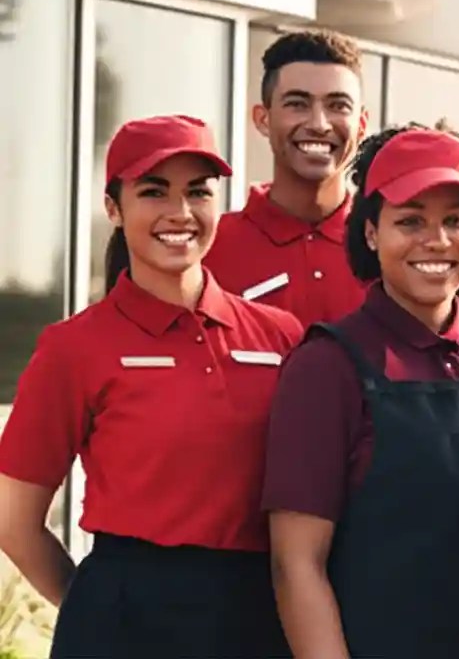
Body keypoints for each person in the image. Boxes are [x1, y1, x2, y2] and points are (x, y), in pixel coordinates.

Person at [0, 115, 302, 658]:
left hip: (257, 613)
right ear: (114, 207)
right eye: (153, 191)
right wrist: (94, 604)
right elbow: (13, 519)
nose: (179, 213)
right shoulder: (74, 348)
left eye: (198, 192)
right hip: (125, 620)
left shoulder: (281, 335)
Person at [263, 125, 459, 657]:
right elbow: (296, 564)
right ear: (370, 231)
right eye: (410, 221)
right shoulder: (327, 366)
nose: (436, 241)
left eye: (455, 221)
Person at [204, 29, 368, 328]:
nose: (319, 124)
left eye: (338, 106)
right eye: (297, 104)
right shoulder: (208, 248)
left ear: (361, 124)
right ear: (262, 119)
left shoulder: (389, 250)